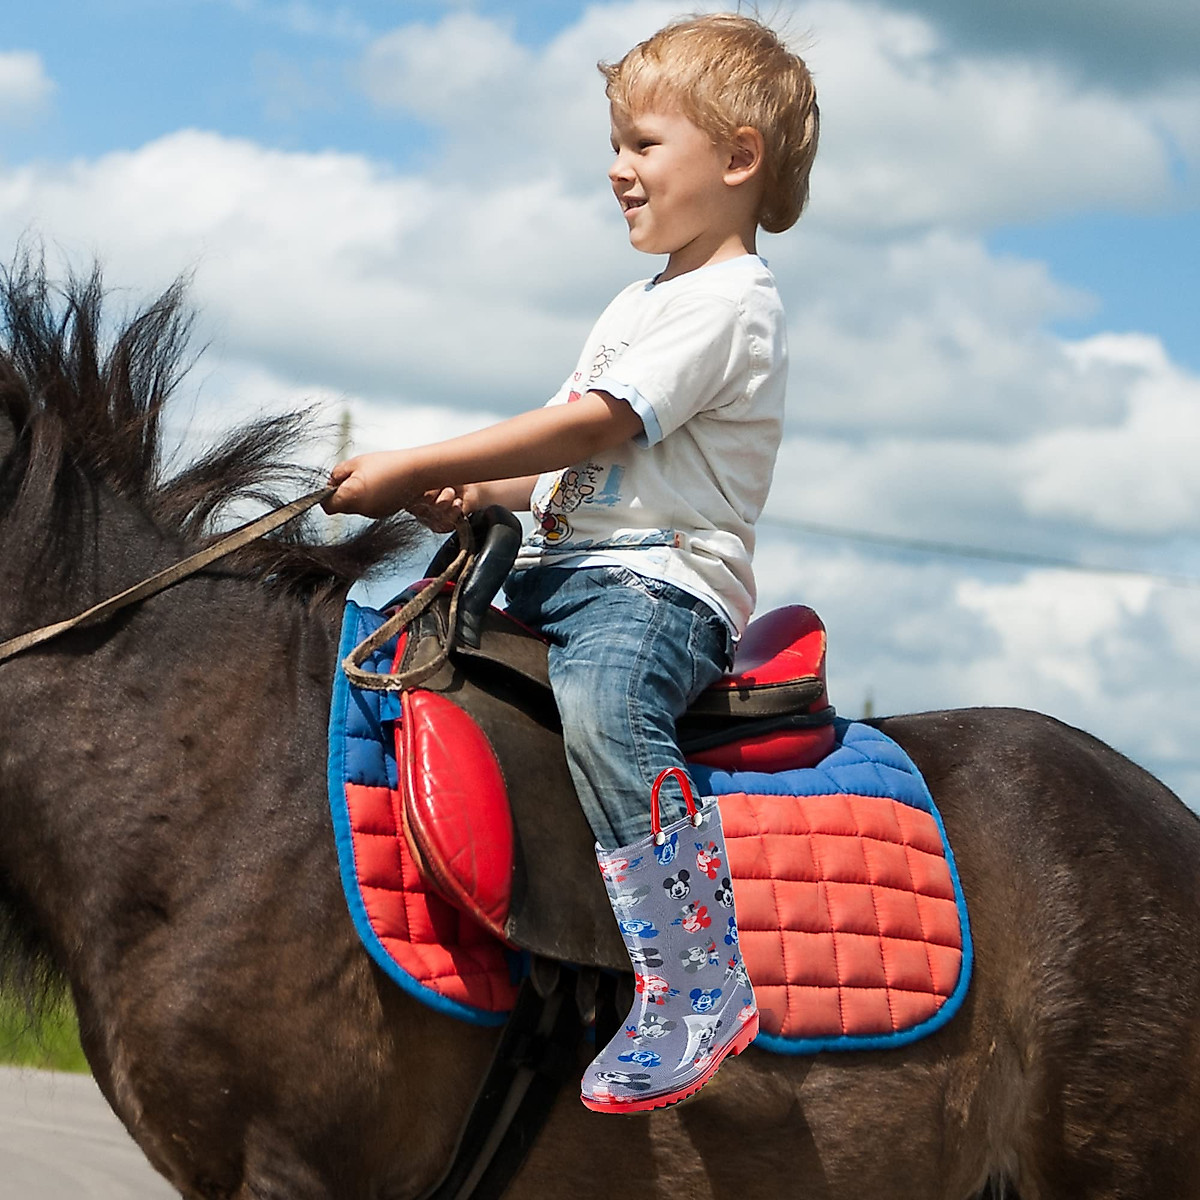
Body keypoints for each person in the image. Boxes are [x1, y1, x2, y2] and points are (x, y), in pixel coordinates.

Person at [325, 13, 819, 1112]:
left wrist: (422, 454)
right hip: (567, 565)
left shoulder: (733, 307)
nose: (617, 169)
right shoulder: (638, 304)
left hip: (656, 589)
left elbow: (594, 429)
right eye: (618, 145)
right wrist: (470, 490)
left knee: (602, 707)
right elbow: (558, 469)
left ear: (738, 159)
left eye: (644, 144)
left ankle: (696, 979)